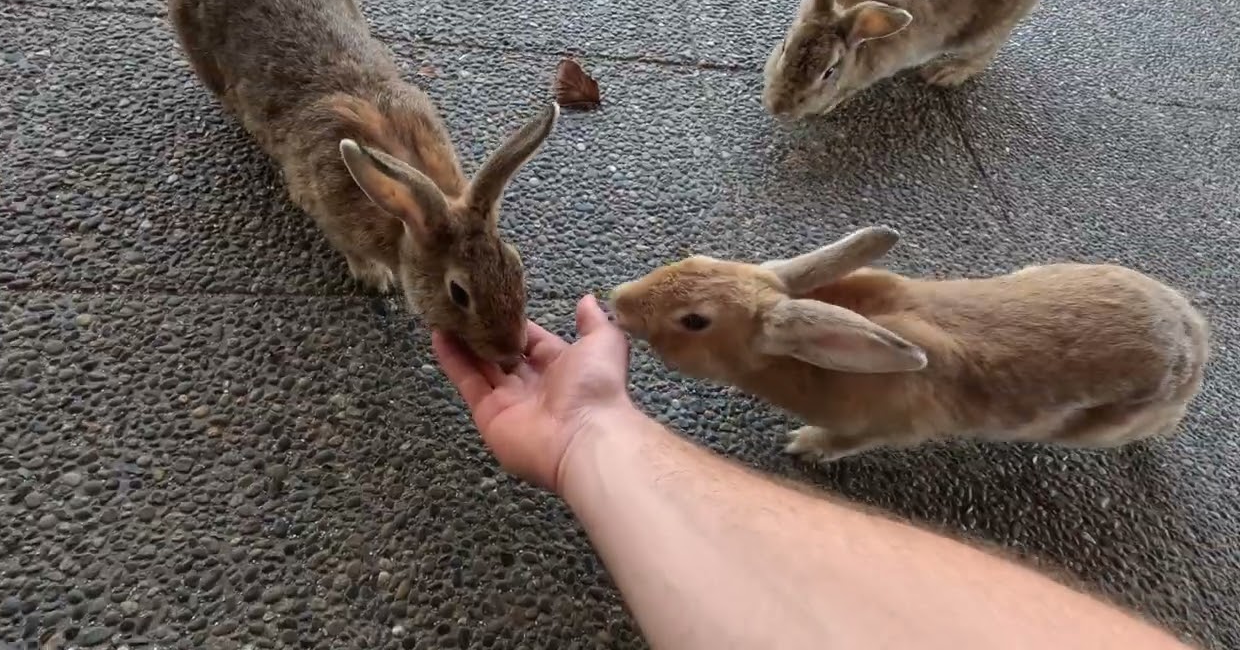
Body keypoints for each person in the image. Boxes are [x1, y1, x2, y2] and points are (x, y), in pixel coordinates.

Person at [431, 294, 1191, 650]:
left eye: (693, 323)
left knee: (1072, 426)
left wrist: (592, 432)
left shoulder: (866, 386)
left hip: (1124, 367)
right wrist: (589, 429)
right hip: (1108, 304)